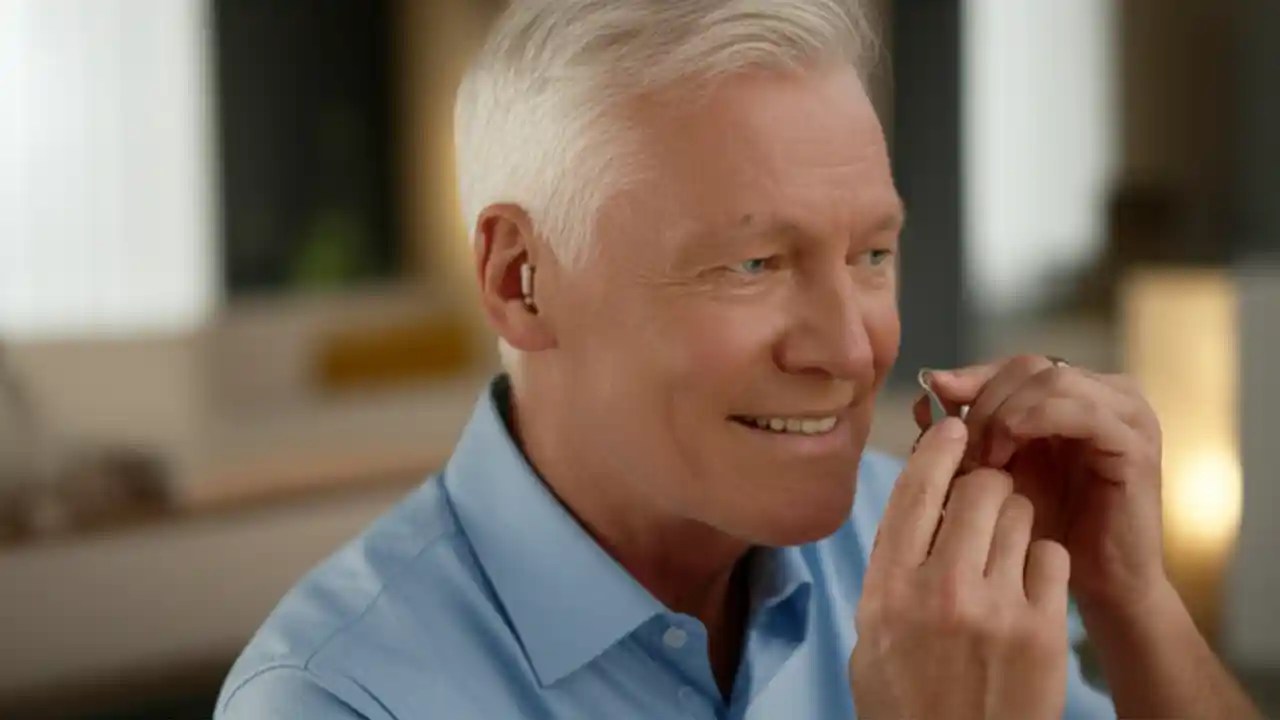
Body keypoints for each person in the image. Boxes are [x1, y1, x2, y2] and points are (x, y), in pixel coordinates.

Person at [215, 1, 1261, 717]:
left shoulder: (918, 560)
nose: (854, 348)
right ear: (519, 279)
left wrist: (1135, 604)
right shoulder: (333, 697)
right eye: (752, 262)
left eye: (870, 254)